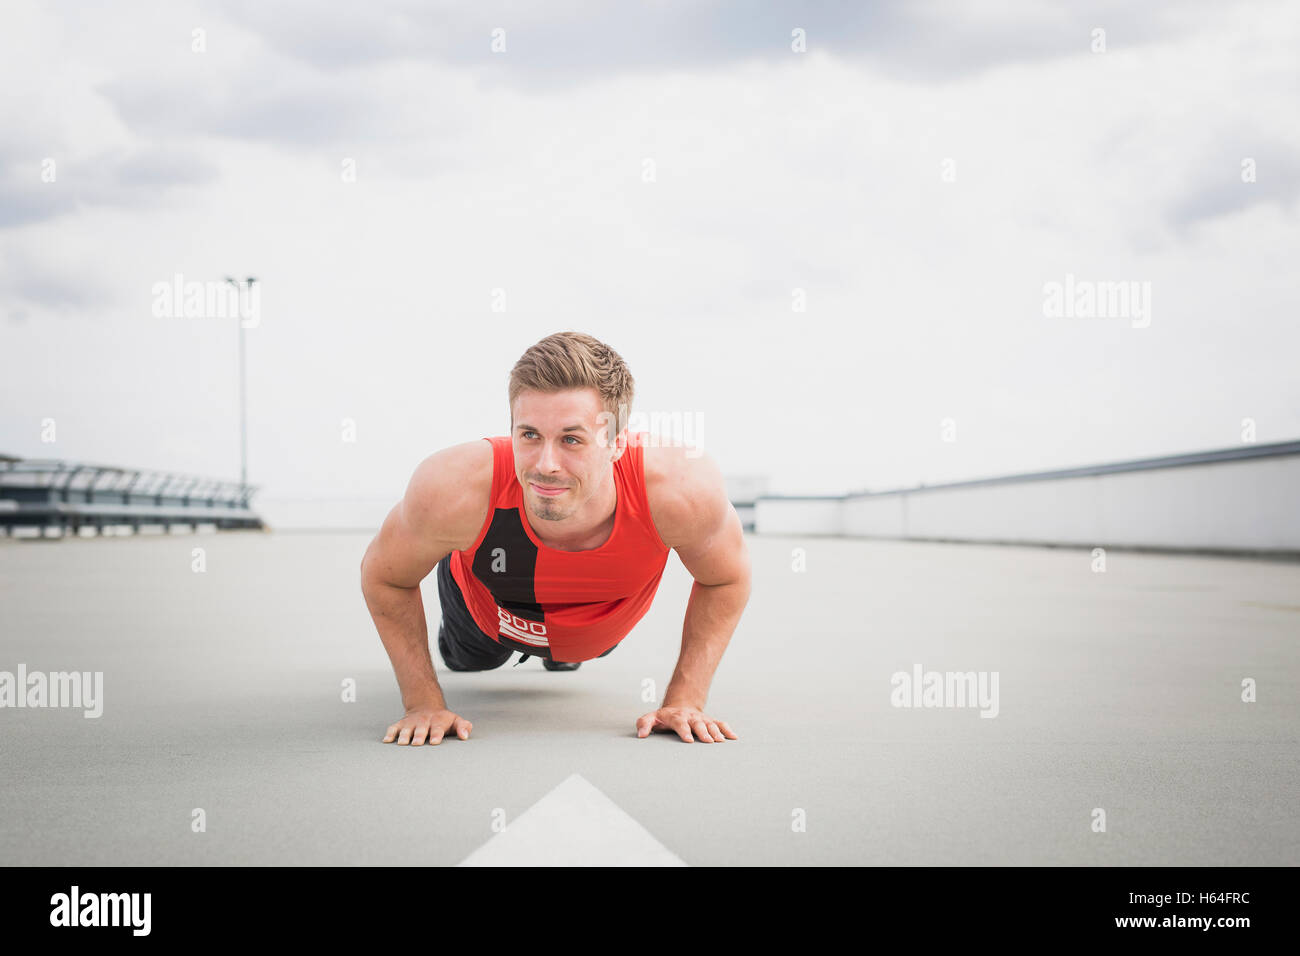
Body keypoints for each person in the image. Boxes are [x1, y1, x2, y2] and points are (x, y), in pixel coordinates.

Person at [360, 332, 751, 746]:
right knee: (472, 662)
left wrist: (686, 700)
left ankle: (563, 656)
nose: (546, 465)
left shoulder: (682, 488)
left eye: (571, 439)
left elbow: (725, 578)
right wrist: (422, 702)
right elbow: (385, 576)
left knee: (578, 652)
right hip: (487, 614)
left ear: (617, 443)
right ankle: (501, 643)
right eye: (529, 435)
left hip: (594, 630)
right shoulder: (451, 487)